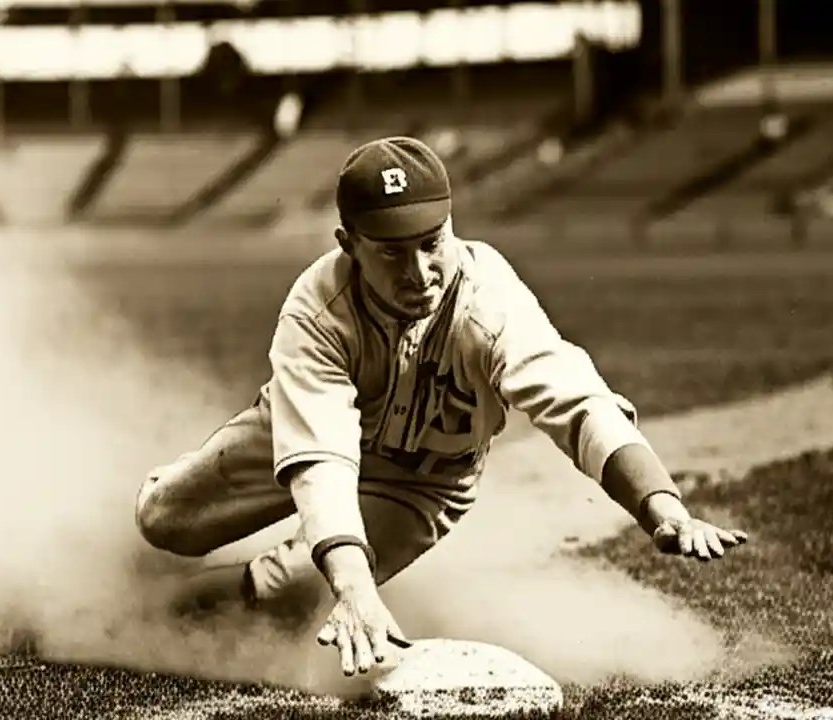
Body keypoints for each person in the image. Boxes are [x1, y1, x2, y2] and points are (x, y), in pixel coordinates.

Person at [134, 136, 749, 678]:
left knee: (287, 591)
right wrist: (353, 584)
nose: (419, 270)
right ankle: (111, 556)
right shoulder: (318, 309)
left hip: (421, 481)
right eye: (392, 253)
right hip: (292, 438)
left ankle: (130, 620)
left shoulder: (488, 301)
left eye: (432, 243)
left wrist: (662, 506)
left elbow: (580, 405)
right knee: (164, 517)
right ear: (349, 244)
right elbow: (321, 460)